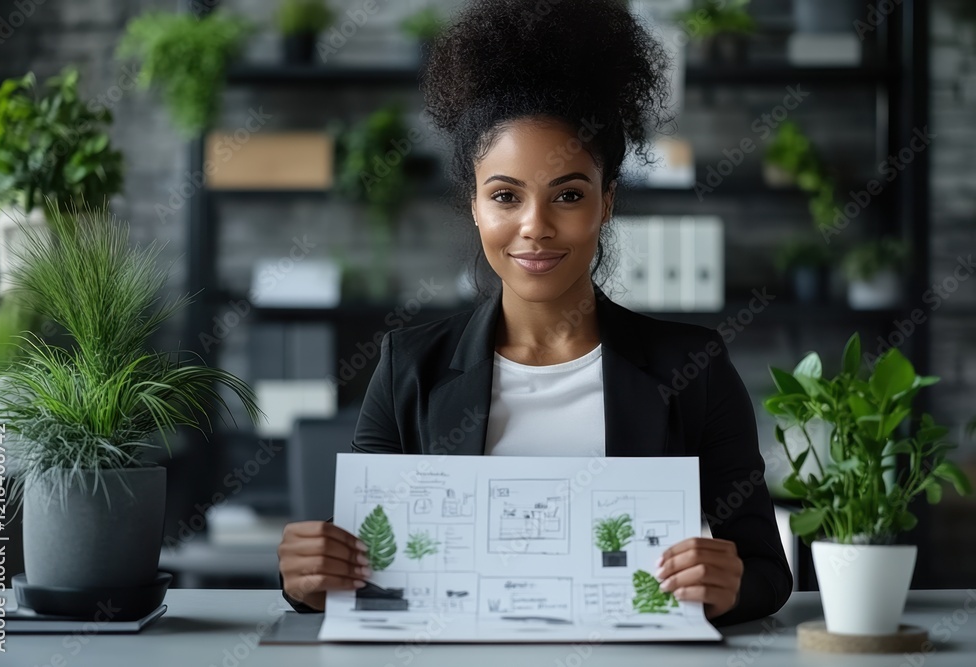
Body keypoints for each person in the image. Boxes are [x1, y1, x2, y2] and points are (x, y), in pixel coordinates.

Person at [278, 0, 792, 626]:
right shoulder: (408, 366)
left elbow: (767, 571)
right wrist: (308, 578)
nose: (536, 227)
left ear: (607, 202)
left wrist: (730, 585)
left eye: (568, 195)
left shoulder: (694, 366)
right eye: (505, 196)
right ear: (474, 206)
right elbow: (356, 562)